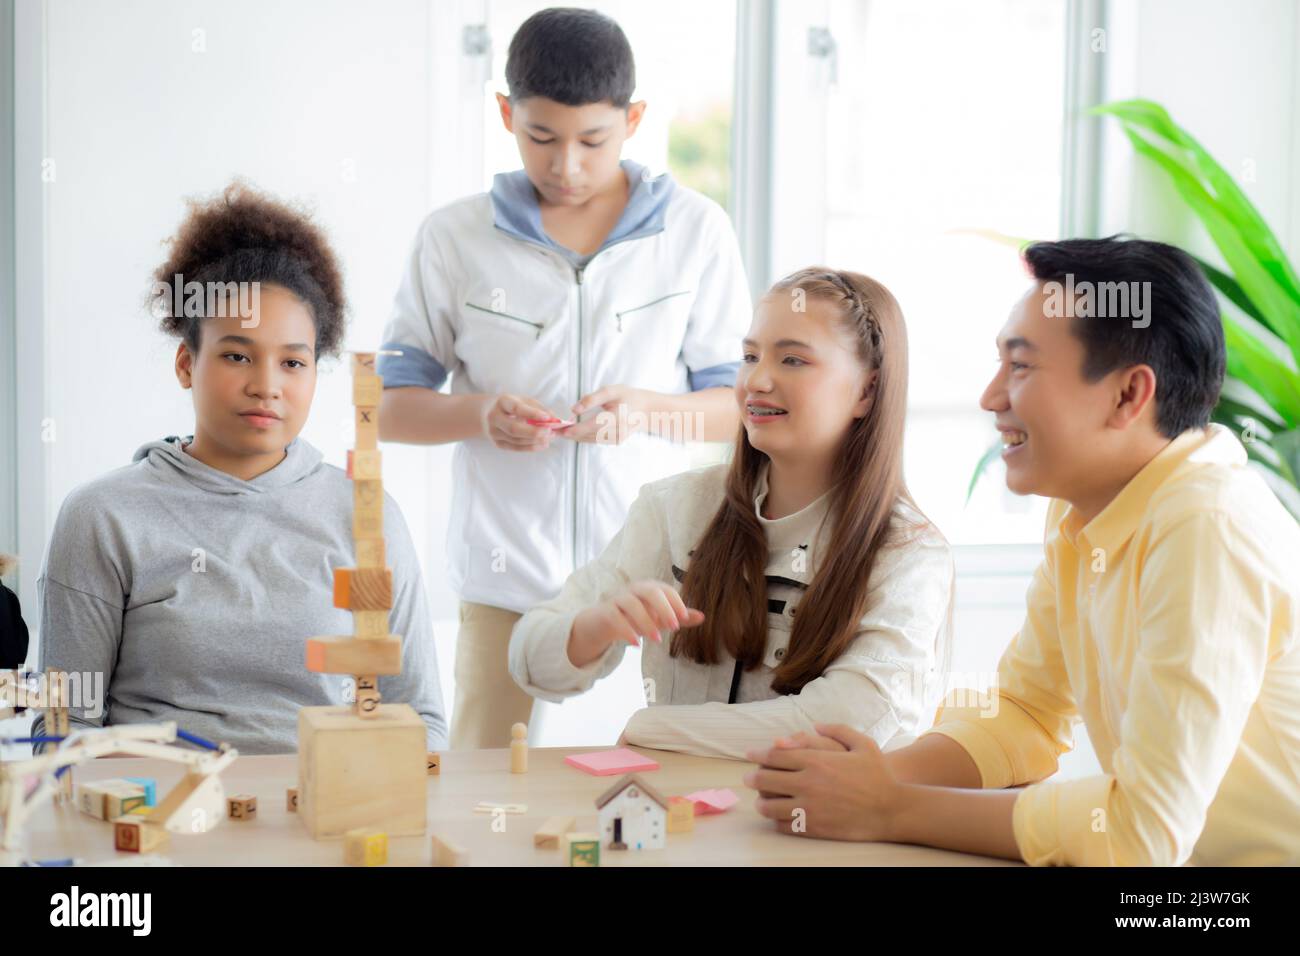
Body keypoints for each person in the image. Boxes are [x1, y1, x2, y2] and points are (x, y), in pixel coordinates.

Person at [744, 237, 1300, 865]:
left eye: (1022, 367)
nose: (991, 396)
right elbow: (1026, 715)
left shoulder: (1209, 528)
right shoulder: (1086, 510)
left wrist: (888, 807)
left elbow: (1141, 833)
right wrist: (872, 780)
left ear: (1128, 396)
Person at [377, 7, 751, 748]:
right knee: (483, 778)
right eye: (540, 137)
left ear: (635, 118)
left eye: (593, 141)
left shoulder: (696, 231)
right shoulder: (453, 238)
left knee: (685, 772)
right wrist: (481, 415)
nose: (566, 166)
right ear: (505, 113)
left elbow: (738, 411)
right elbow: (391, 412)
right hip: (505, 572)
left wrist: (644, 411)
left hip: (659, 571)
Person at [32, 182, 447, 754]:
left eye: (293, 362)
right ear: (186, 363)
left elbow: (418, 719)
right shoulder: (103, 516)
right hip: (162, 821)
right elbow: (63, 729)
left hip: (324, 821)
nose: (266, 386)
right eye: (236, 355)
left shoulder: (366, 517)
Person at [510, 268, 953, 759]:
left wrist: (651, 730)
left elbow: (846, 720)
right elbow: (529, 661)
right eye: (749, 357)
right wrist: (597, 625)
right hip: (689, 826)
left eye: (792, 359)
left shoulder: (910, 551)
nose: (756, 381)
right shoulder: (673, 509)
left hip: (823, 832)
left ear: (867, 392)